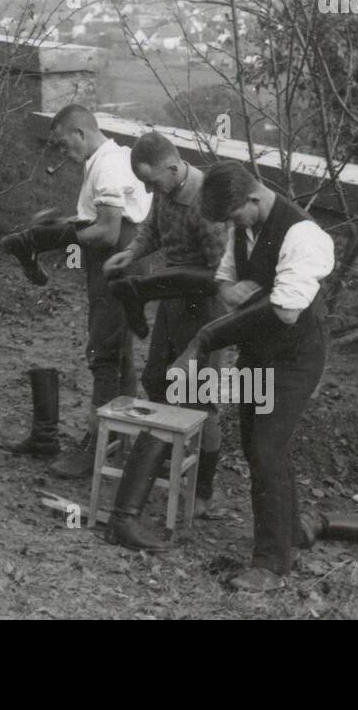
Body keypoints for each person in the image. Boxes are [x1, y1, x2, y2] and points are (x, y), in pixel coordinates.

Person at [185, 160, 334, 592]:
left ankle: (271, 563)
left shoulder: (303, 236)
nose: (233, 225)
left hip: (295, 357)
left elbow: (286, 311)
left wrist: (210, 335)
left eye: (235, 216)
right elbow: (226, 279)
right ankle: (291, 530)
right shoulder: (245, 225)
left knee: (268, 448)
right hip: (257, 353)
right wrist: (227, 290)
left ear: (253, 197)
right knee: (257, 446)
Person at [0, 105, 151, 477]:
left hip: (118, 259)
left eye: (64, 143)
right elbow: (96, 218)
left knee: (104, 353)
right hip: (117, 260)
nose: (63, 152)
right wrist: (60, 226)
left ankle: (96, 446)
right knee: (118, 354)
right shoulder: (106, 157)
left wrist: (58, 239)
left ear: (80, 133)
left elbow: (109, 232)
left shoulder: (109, 165)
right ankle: (117, 440)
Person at [98, 132, 228, 550]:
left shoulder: (208, 203)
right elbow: (152, 230)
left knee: (200, 397)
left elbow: (220, 273)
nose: (150, 190)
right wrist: (132, 253)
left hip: (205, 310)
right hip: (172, 301)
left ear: (172, 168)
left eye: (153, 182)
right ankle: (163, 460)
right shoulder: (166, 190)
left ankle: (202, 488)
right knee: (157, 381)